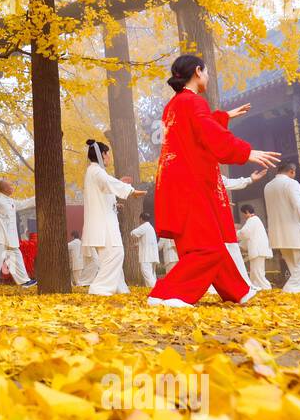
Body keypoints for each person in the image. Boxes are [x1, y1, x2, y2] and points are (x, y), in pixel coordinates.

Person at [147, 55, 280, 307]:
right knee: (207, 248)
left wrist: (223, 115)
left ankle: (239, 291)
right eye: (205, 72)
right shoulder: (194, 102)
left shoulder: (173, 105)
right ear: (198, 71)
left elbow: (192, 129)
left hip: (175, 181)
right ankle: (167, 293)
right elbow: (207, 132)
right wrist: (245, 152)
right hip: (190, 183)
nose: (207, 76)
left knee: (203, 243)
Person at [81, 140, 145, 296]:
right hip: (103, 225)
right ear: (102, 154)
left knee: (110, 257)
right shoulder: (96, 171)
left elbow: (104, 191)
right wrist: (130, 190)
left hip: (102, 223)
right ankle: (99, 289)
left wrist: (116, 202)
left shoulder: (94, 172)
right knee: (116, 253)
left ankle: (118, 288)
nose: (109, 157)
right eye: (107, 154)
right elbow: (107, 182)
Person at [264, 162, 300, 293]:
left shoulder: (268, 186)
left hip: (278, 233)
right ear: (291, 171)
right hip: (296, 230)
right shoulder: (291, 183)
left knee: (295, 266)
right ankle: (292, 290)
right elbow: (298, 205)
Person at [0, 180, 37, 287]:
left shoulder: (11, 201)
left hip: (10, 237)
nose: (13, 187)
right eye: (11, 185)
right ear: (4, 188)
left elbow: (23, 204)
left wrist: (37, 197)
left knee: (16, 256)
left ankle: (24, 281)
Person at [237, 204, 273, 290]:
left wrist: (235, 233)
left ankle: (267, 289)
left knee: (258, 273)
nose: (243, 216)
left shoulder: (252, 220)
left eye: (243, 214)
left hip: (258, 250)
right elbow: (249, 236)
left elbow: (244, 233)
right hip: (258, 250)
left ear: (247, 212)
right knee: (255, 272)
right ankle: (257, 289)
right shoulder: (255, 220)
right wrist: (240, 245)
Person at [129, 211, 159, 288]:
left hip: (147, 255)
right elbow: (148, 240)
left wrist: (131, 233)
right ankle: (152, 289)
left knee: (146, 272)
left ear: (141, 219)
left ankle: (155, 289)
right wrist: (138, 244)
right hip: (152, 255)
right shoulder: (150, 227)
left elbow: (134, 233)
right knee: (152, 274)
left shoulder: (144, 226)